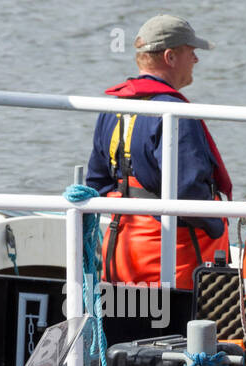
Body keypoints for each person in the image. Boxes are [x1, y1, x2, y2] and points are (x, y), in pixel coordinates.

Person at [86, 14, 232, 290]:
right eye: (192, 52)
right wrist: (217, 223)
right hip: (172, 259)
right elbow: (188, 192)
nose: (196, 60)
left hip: (122, 252)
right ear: (170, 57)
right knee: (179, 330)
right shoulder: (174, 113)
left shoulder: (113, 108)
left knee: (127, 326)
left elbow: (97, 183)